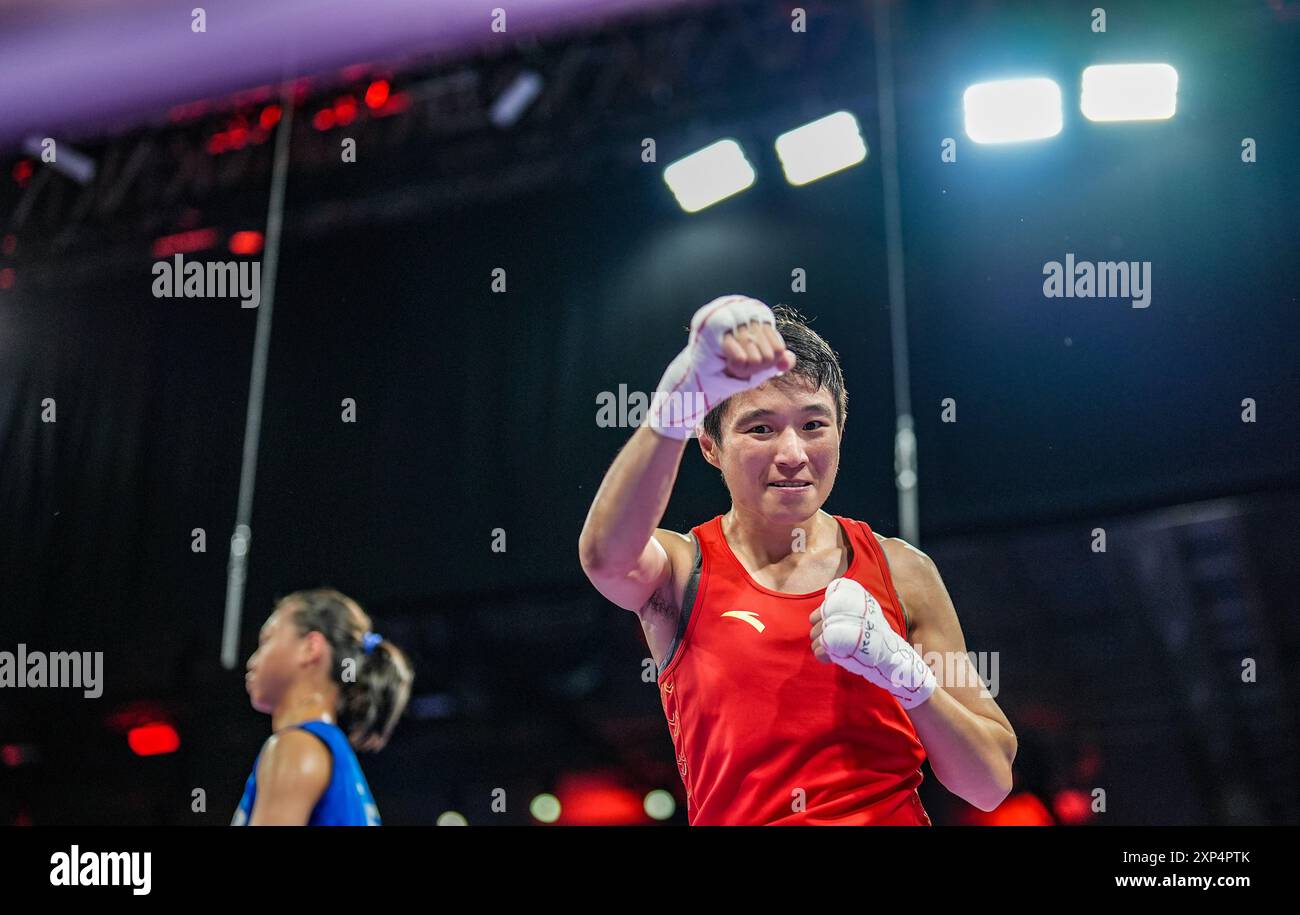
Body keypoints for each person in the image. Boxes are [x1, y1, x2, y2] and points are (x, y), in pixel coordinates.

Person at [579, 295, 1016, 825]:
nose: (792, 454)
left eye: (813, 425)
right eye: (760, 428)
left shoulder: (902, 571)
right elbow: (605, 559)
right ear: (710, 446)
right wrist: (677, 403)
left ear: (840, 431)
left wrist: (908, 675)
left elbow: (990, 783)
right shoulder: (682, 570)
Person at [234, 588, 414, 825]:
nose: (252, 661)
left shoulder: (295, 747)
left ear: (310, 648)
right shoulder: (333, 756)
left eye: (266, 640)